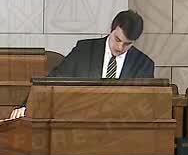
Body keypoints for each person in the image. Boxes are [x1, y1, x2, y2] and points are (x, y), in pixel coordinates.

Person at [8, 10, 155, 119]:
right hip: (81, 123)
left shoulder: (143, 64)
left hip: (120, 131)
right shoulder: (84, 50)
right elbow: (54, 80)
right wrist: (27, 105)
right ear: (110, 30)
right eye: (117, 39)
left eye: (127, 44)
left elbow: (142, 106)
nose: (120, 47)